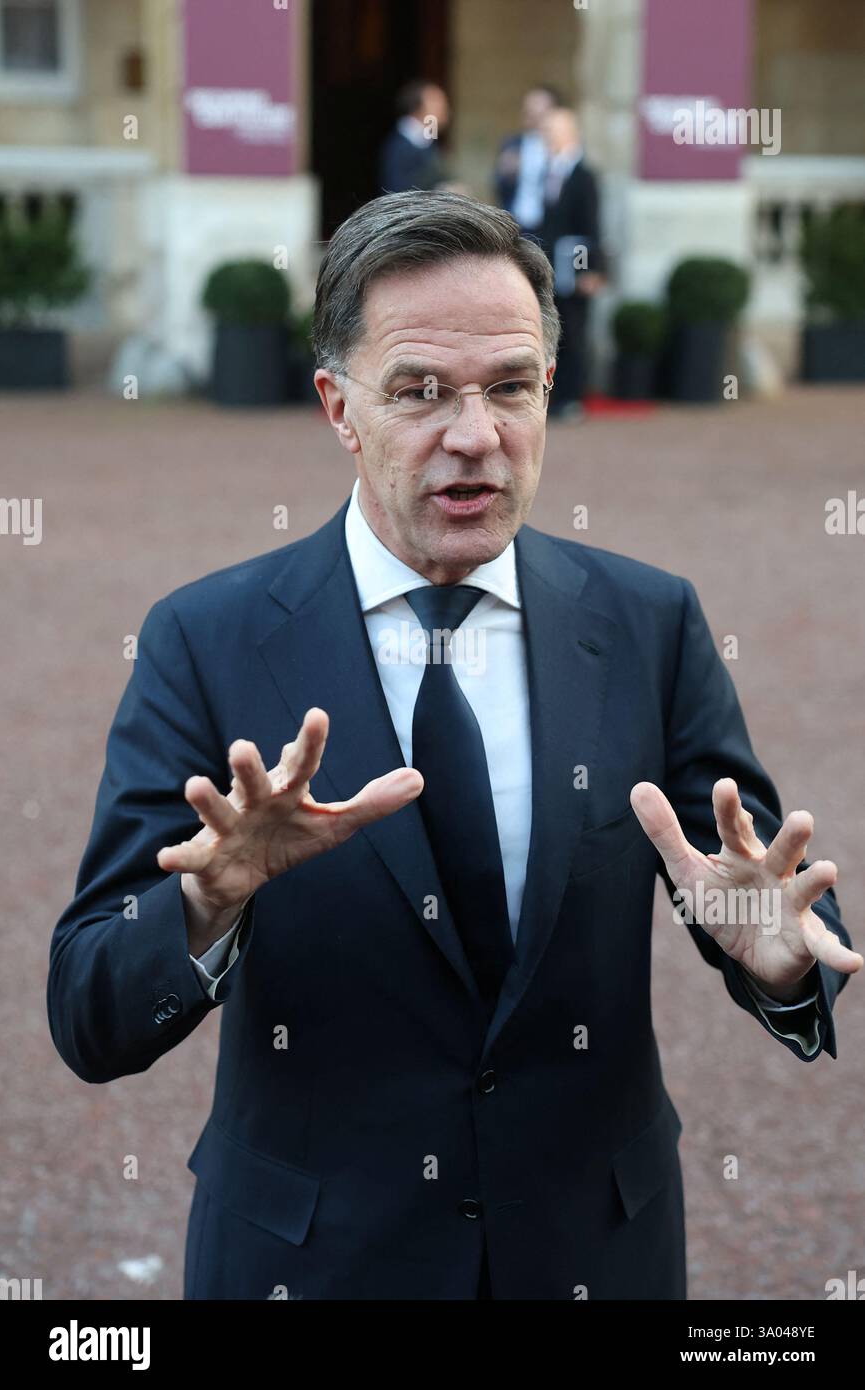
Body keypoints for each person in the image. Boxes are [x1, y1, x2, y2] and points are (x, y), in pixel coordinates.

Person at [47, 191, 859, 1302]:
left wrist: (770, 956)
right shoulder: (207, 640)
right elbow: (89, 1007)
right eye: (420, 391)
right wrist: (207, 903)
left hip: (595, 1257)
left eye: (509, 388)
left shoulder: (648, 623)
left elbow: (762, 890)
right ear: (339, 405)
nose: (473, 434)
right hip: (313, 1264)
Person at [538, 106, 605, 417]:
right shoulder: (547, 171)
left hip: (575, 266)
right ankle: (555, 394)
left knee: (575, 331)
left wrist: (589, 270)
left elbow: (591, 227)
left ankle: (573, 397)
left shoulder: (584, 175)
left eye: (553, 131)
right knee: (555, 328)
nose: (546, 136)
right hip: (552, 264)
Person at [494, 83, 562, 234]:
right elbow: (497, 184)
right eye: (528, 111)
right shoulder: (512, 144)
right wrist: (507, 172)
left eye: (539, 112)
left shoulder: (560, 146)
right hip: (515, 225)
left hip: (548, 228)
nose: (532, 116)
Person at [379, 80, 450, 194]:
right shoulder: (398, 147)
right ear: (417, 108)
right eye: (436, 102)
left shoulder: (428, 142)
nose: (444, 108)